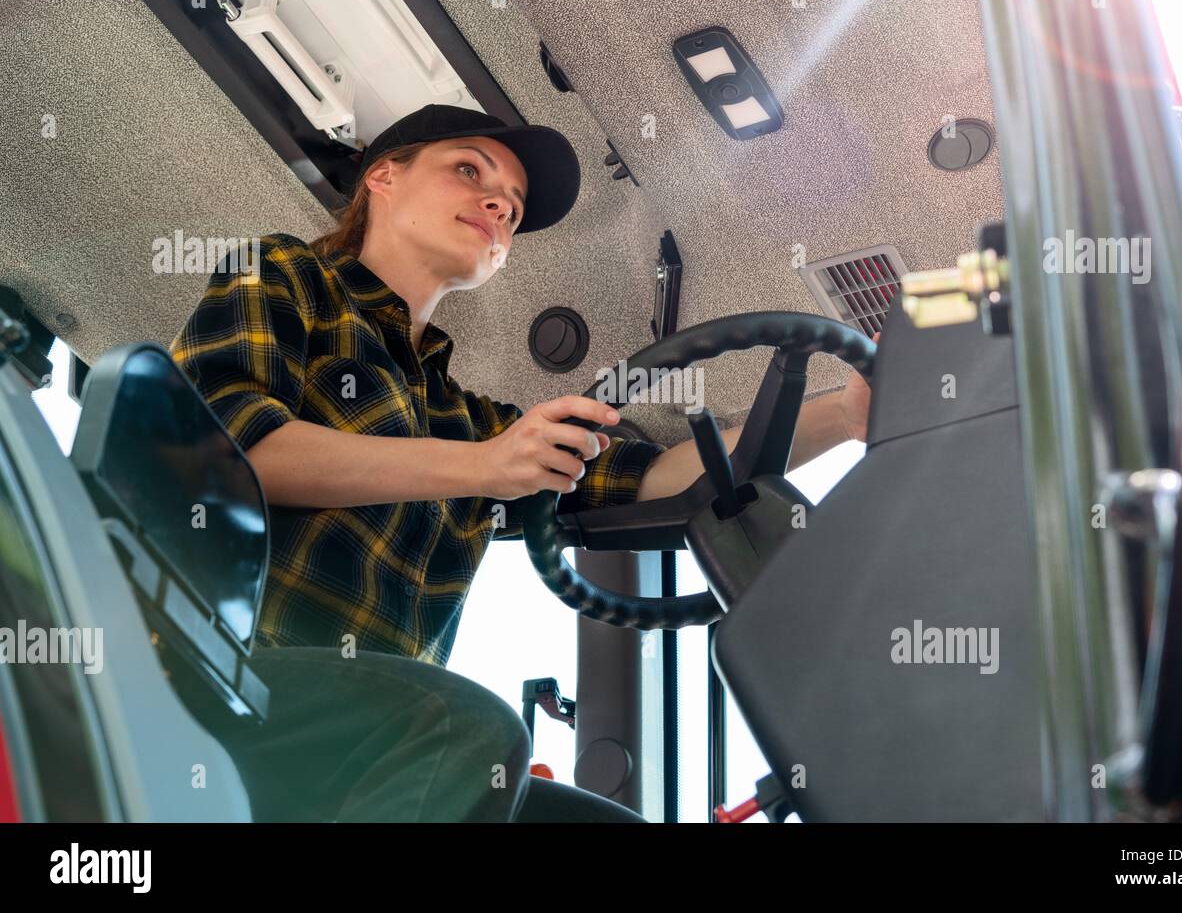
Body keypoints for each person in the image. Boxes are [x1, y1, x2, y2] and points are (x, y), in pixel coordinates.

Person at [170, 104, 871, 822]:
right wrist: (484, 468)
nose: (499, 202)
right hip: (223, 686)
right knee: (471, 727)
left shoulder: (466, 421)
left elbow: (665, 483)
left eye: (514, 203)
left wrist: (845, 417)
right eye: (469, 170)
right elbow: (229, 451)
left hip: (372, 748)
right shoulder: (283, 274)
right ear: (382, 176)